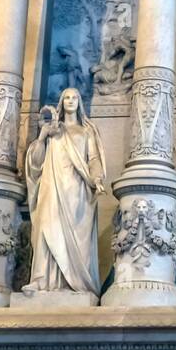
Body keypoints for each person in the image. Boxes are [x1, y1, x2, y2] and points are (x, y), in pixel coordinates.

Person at [22, 88, 107, 297]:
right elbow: (36, 162)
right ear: (61, 103)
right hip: (51, 184)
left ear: (80, 103)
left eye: (74, 97)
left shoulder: (86, 131)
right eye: (66, 98)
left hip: (77, 189)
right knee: (46, 227)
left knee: (76, 236)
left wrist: (97, 179)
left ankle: (75, 283)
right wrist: (42, 136)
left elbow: (94, 158)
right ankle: (41, 280)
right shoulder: (53, 130)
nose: (70, 101)